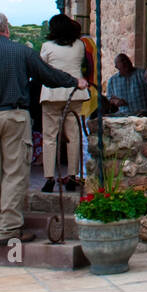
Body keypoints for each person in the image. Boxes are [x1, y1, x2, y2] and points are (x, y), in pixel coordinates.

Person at [0, 12, 86, 246]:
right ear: (6, 29)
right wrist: (74, 81)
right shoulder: (20, 51)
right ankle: (8, 229)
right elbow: (47, 75)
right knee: (14, 173)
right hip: (14, 115)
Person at [38, 14, 91, 192]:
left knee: (50, 137)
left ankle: (49, 177)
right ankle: (73, 175)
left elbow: (42, 69)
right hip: (75, 92)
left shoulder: (47, 46)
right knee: (73, 136)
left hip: (52, 93)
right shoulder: (79, 45)